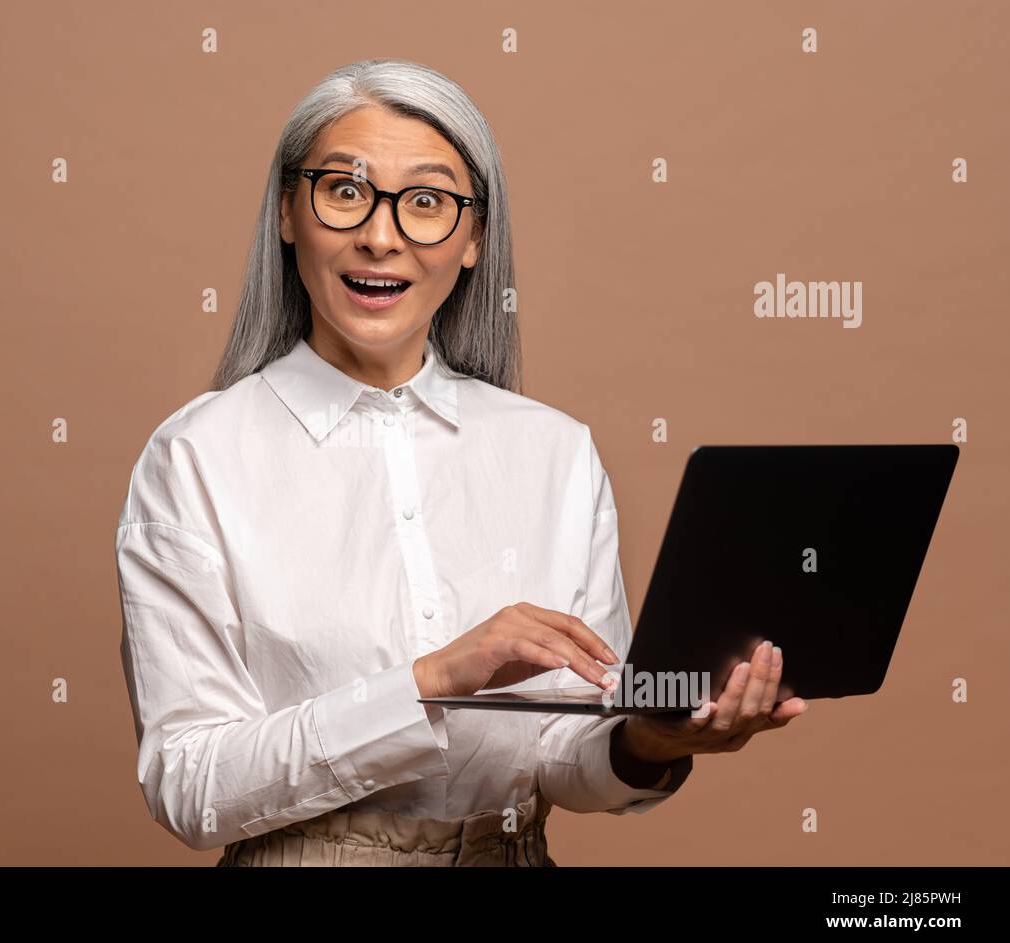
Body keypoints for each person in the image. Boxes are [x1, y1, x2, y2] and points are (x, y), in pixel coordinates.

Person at [114, 58, 807, 867]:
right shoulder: (197, 457)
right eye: (345, 190)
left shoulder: (554, 451)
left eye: (428, 203)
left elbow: (564, 754)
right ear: (287, 213)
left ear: (476, 237)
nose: (381, 235)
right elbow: (191, 786)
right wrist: (432, 680)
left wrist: (650, 740)